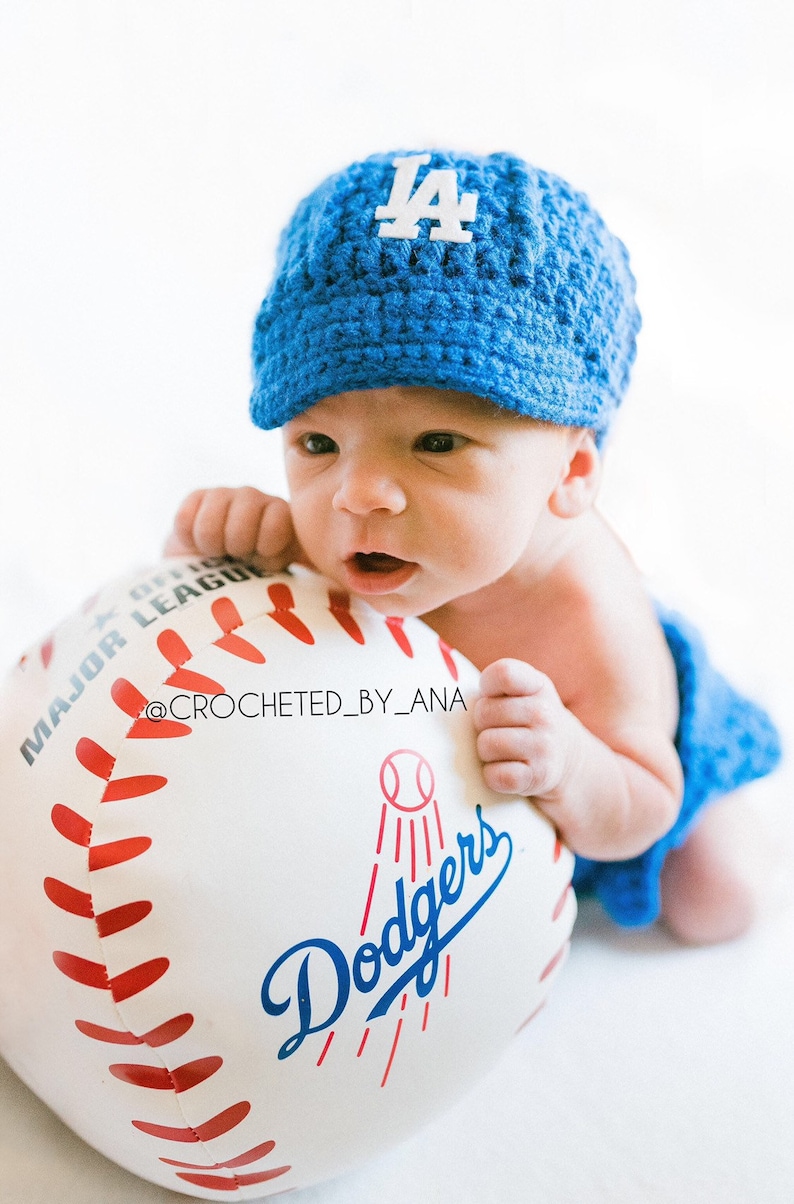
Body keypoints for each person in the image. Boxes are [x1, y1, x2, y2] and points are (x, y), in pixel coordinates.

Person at [165, 150, 781, 944]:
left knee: (714, 898)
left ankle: (745, 827)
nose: (359, 494)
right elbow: (215, 645)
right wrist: (215, 551)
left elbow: (640, 805)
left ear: (572, 473)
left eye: (436, 441)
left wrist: (570, 764)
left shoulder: (590, 611)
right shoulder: (342, 532)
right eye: (317, 444)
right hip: (458, 788)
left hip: (614, 758)